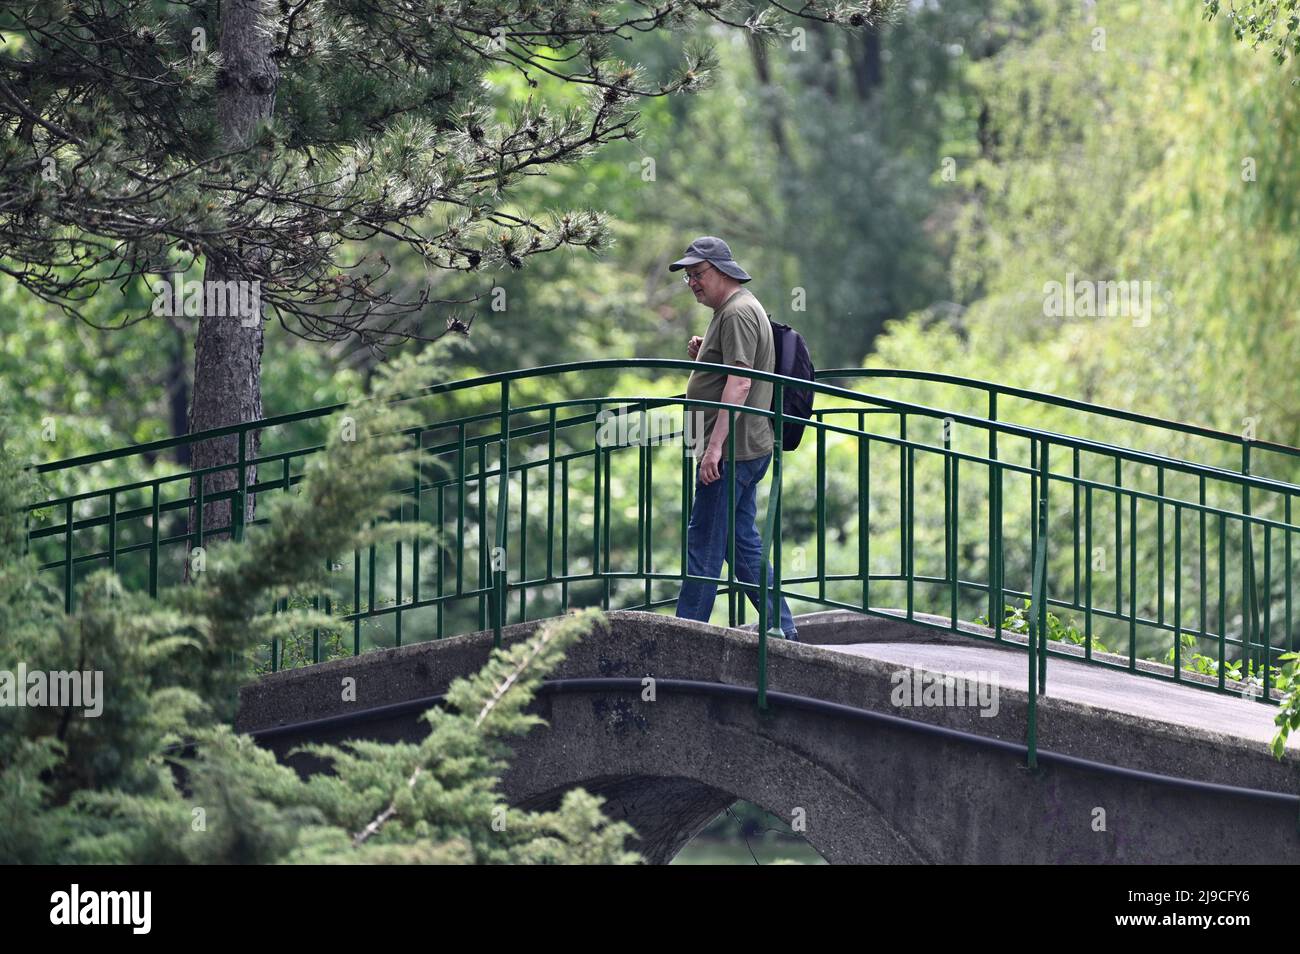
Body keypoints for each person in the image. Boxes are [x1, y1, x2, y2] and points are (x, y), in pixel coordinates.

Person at [669, 236, 799, 640]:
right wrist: (704, 355)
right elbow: (732, 370)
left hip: (733, 451)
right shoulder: (732, 310)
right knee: (740, 546)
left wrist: (714, 449)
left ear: (722, 270)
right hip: (743, 447)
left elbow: (741, 384)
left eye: (698, 273)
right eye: (688, 276)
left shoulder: (738, 313)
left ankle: (686, 637)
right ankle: (783, 626)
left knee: (704, 541)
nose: (692, 282)